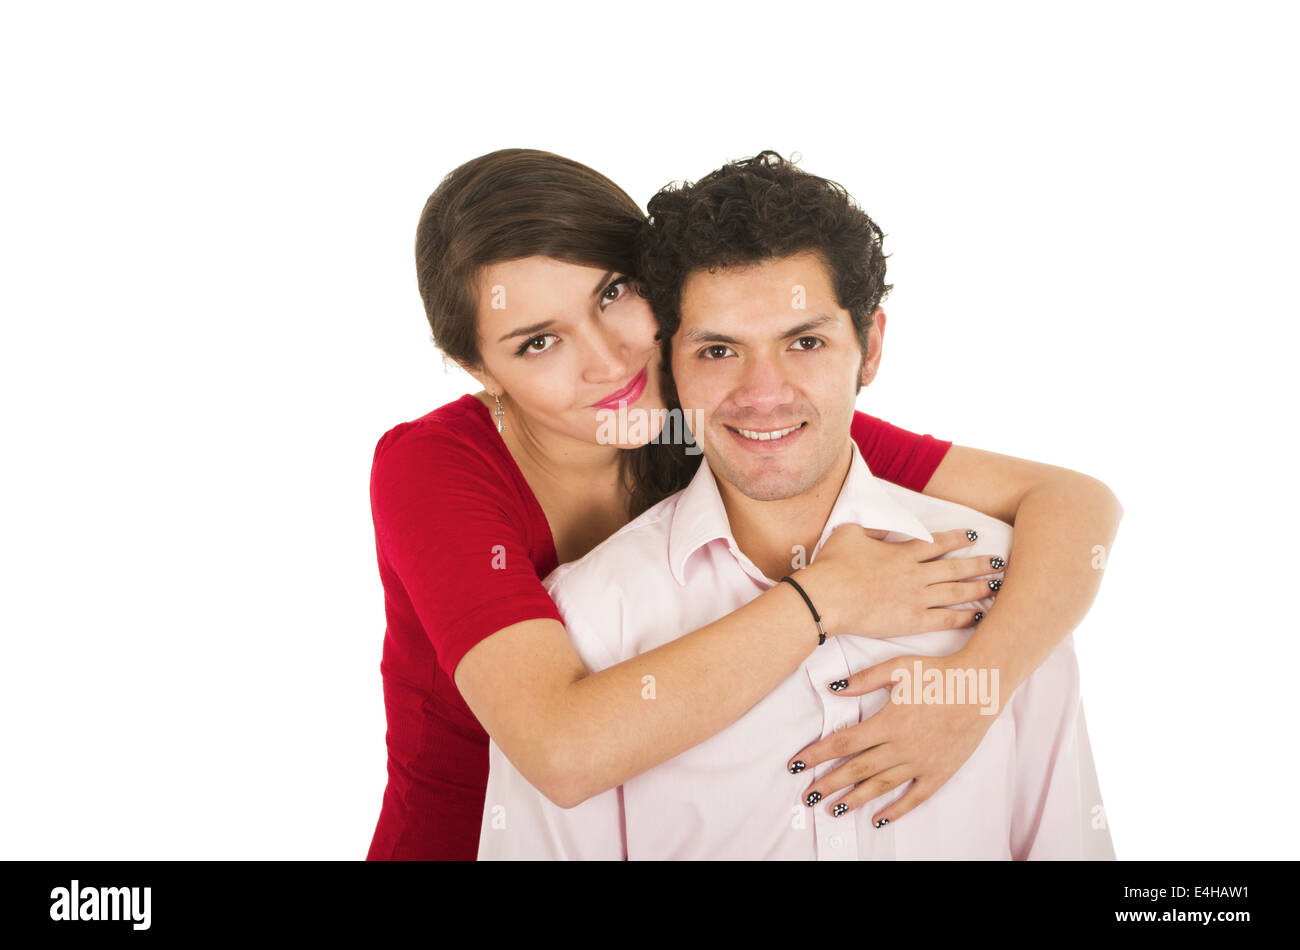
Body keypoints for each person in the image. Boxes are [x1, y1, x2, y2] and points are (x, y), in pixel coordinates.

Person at [367, 149, 1123, 860]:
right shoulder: (434, 470)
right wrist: (828, 597)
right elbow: (563, 753)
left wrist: (976, 691)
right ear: (478, 369)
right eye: (538, 341)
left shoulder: (726, 417)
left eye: (612, 295)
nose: (606, 359)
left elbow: (1072, 502)